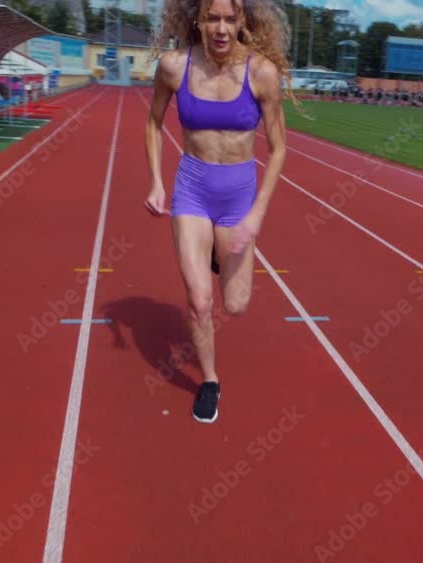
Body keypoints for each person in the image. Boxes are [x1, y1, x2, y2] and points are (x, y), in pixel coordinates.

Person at [144, 0, 293, 424]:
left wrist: (257, 213)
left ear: (243, 20)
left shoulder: (261, 73)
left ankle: (217, 251)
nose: (222, 28)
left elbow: (279, 148)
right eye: (213, 18)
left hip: (238, 197)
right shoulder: (174, 67)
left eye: (231, 19)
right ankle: (209, 380)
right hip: (191, 190)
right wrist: (156, 180)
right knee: (199, 302)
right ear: (198, 19)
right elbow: (153, 123)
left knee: (237, 304)